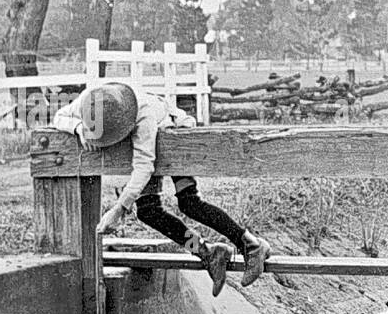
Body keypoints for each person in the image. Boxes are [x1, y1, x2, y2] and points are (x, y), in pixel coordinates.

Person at [51, 81, 271, 296]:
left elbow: (144, 166)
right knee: (149, 212)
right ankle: (206, 252)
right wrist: (78, 127)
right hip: (142, 145)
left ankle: (250, 244)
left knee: (189, 203)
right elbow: (59, 116)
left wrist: (119, 209)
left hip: (171, 133)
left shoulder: (143, 117)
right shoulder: (90, 102)